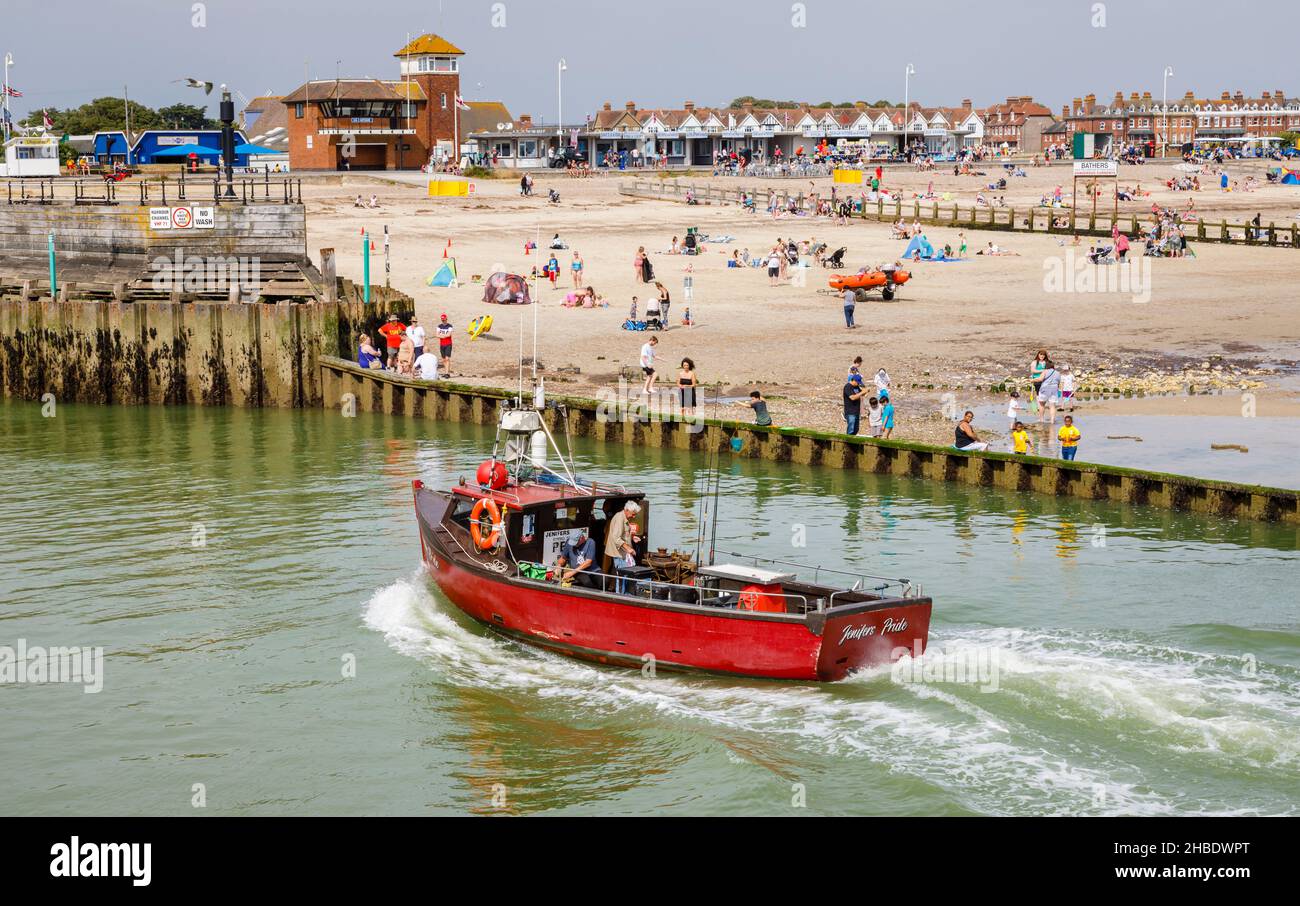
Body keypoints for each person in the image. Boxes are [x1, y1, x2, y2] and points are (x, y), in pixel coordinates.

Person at [603, 501, 643, 583]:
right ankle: (621, 594)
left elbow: (623, 533)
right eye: (633, 514)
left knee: (624, 576)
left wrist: (632, 538)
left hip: (623, 552)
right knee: (623, 578)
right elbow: (616, 538)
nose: (634, 516)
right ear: (627, 510)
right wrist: (629, 548)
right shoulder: (619, 518)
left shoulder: (624, 517)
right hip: (620, 553)